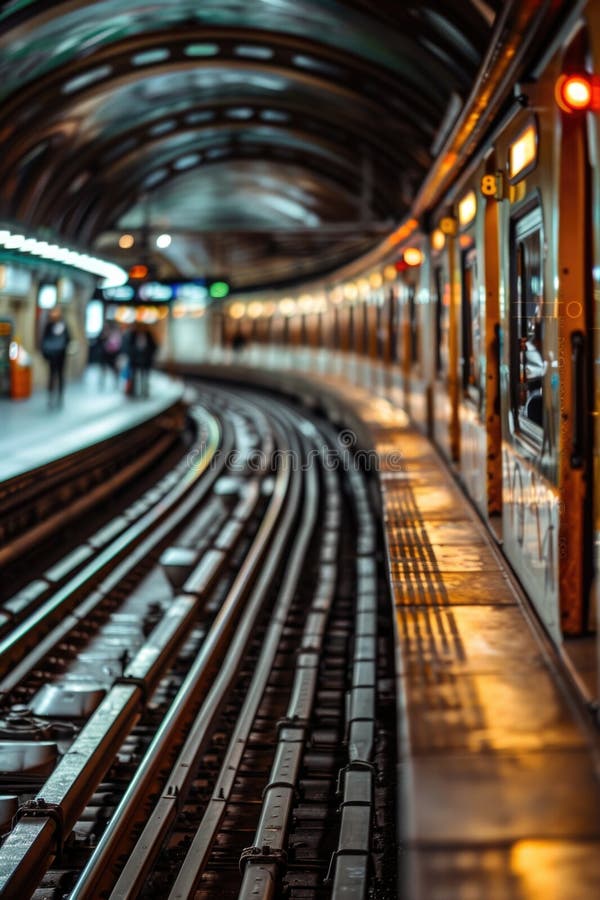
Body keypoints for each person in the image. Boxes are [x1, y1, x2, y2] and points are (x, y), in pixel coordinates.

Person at [41, 306, 71, 407]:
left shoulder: (64, 325)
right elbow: (44, 340)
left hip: (61, 355)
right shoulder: (49, 325)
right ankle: (51, 396)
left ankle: (60, 396)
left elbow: (69, 338)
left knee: (60, 375)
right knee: (52, 375)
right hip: (52, 355)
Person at [123, 323, 157, 398]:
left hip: (146, 360)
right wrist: (134, 355)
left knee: (145, 376)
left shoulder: (148, 335)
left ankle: (145, 391)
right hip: (135, 360)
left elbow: (154, 347)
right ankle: (133, 392)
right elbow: (128, 347)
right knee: (134, 376)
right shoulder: (133, 335)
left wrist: (148, 354)